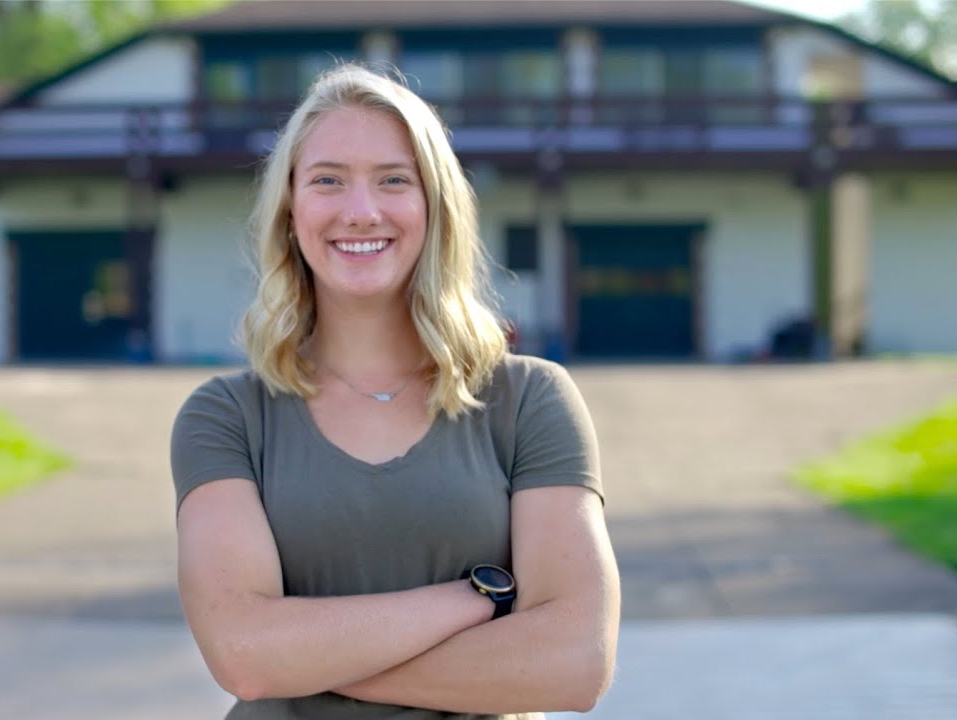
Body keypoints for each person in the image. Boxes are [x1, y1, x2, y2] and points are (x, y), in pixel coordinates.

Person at [170, 64, 620, 720]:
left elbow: (574, 664)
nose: (360, 211)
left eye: (393, 180)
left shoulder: (530, 400)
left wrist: (310, 660)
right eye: (328, 180)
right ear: (291, 210)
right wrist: (477, 598)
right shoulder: (226, 417)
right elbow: (245, 656)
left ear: (435, 207)